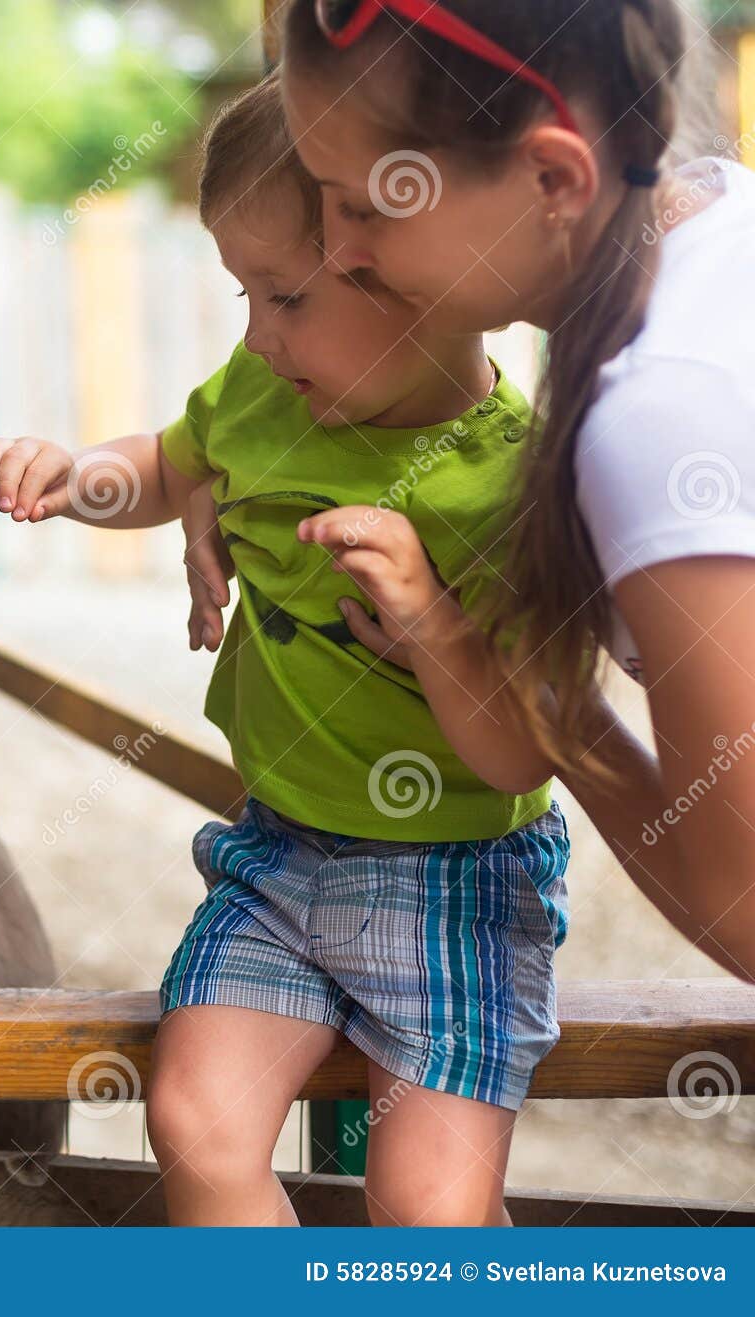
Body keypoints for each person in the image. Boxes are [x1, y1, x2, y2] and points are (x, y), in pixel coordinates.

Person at [0, 79, 575, 1225]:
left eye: (284, 296)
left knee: (432, 1215)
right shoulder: (265, 391)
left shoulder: (515, 485)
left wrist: (437, 628)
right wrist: (76, 474)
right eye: (244, 294)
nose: (255, 333)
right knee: (195, 1125)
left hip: (454, 884)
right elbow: (171, 464)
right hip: (280, 858)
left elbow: (516, 753)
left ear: (423, 281)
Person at [277, 0, 755, 980]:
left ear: (550, 175)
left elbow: (746, 912)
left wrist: (554, 713)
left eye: (365, 205)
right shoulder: (720, 221)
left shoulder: (657, 418)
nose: (340, 253)